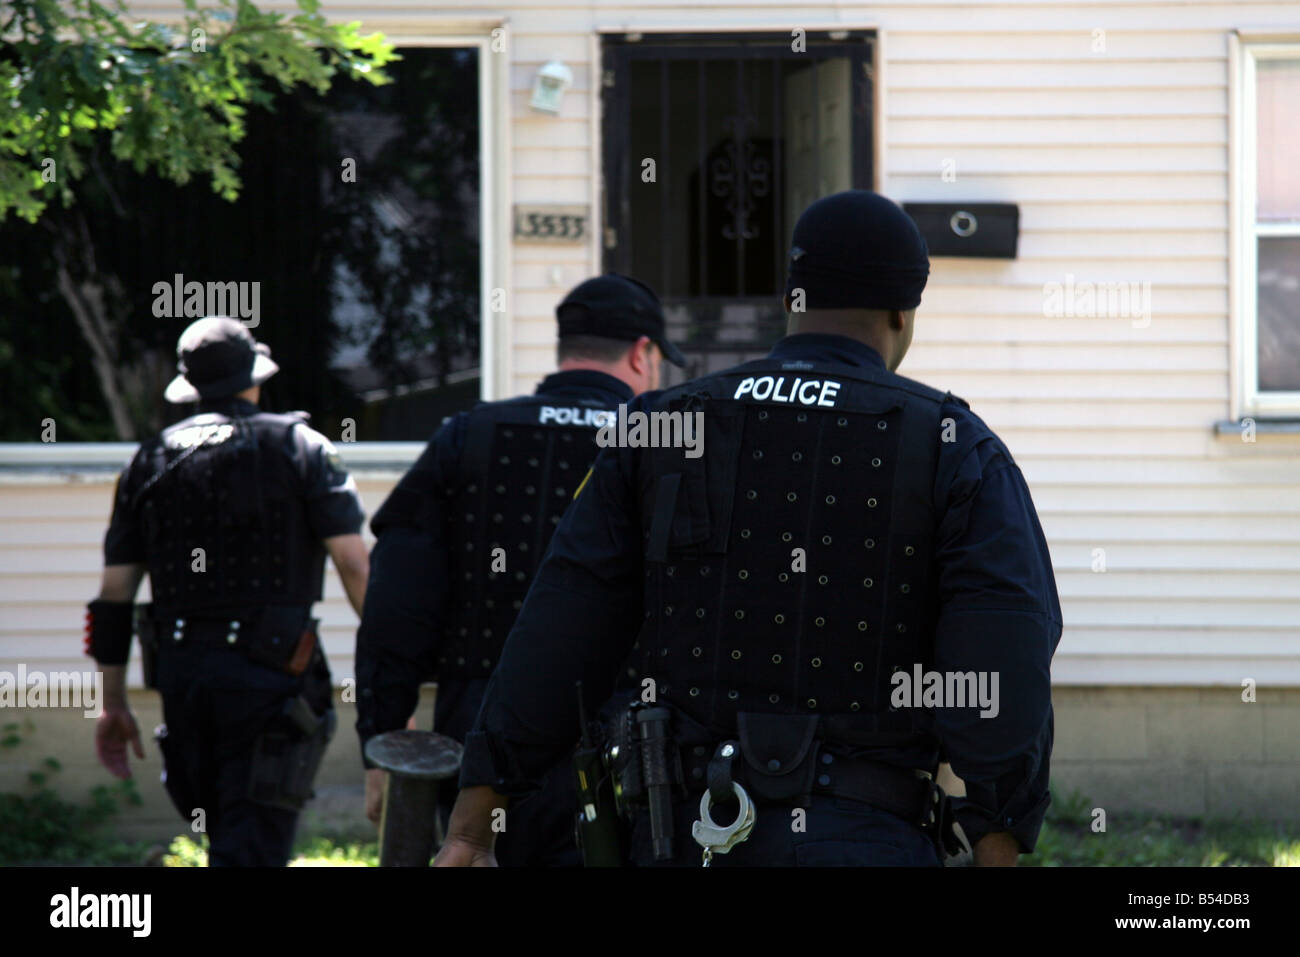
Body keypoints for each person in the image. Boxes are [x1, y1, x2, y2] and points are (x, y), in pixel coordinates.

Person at [434, 190, 1063, 868]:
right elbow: (1003, 654)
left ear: (792, 296)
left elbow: (558, 629)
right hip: (868, 838)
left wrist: (472, 825)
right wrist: (999, 835)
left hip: (683, 834)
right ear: (902, 311)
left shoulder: (660, 428)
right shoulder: (953, 446)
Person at [354, 273, 685, 866]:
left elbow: (395, 606)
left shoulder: (466, 436)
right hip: (625, 736)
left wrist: (381, 743)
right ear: (642, 352)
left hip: (473, 734)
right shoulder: (663, 446)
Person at [87, 316, 369, 867]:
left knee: (226, 838)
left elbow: (113, 595)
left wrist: (112, 701)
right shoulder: (300, 446)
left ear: (190, 387)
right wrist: (391, 676)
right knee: (254, 844)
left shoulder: (147, 460)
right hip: (273, 679)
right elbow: (355, 565)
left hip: (184, 676)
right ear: (254, 378)